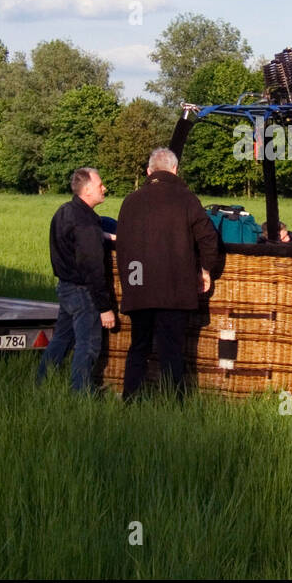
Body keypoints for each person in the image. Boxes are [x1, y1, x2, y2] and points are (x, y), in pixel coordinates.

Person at [115, 148, 220, 400]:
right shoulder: (187, 200)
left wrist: (131, 284)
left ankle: (130, 400)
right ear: (175, 170)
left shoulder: (130, 201)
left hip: (138, 287)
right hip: (174, 291)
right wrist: (205, 269)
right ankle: (173, 404)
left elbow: (123, 246)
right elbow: (208, 239)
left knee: (138, 346)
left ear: (149, 172)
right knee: (171, 351)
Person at [35, 167, 116, 392]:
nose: (104, 189)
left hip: (65, 288)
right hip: (83, 292)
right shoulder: (86, 223)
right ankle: (80, 393)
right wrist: (105, 308)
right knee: (87, 345)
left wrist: (101, 235)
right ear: (88, 190)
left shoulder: (65, 212)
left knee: (61, 340)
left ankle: (42, 383)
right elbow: (93, 269)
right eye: (101, 185)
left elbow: (73, 243)